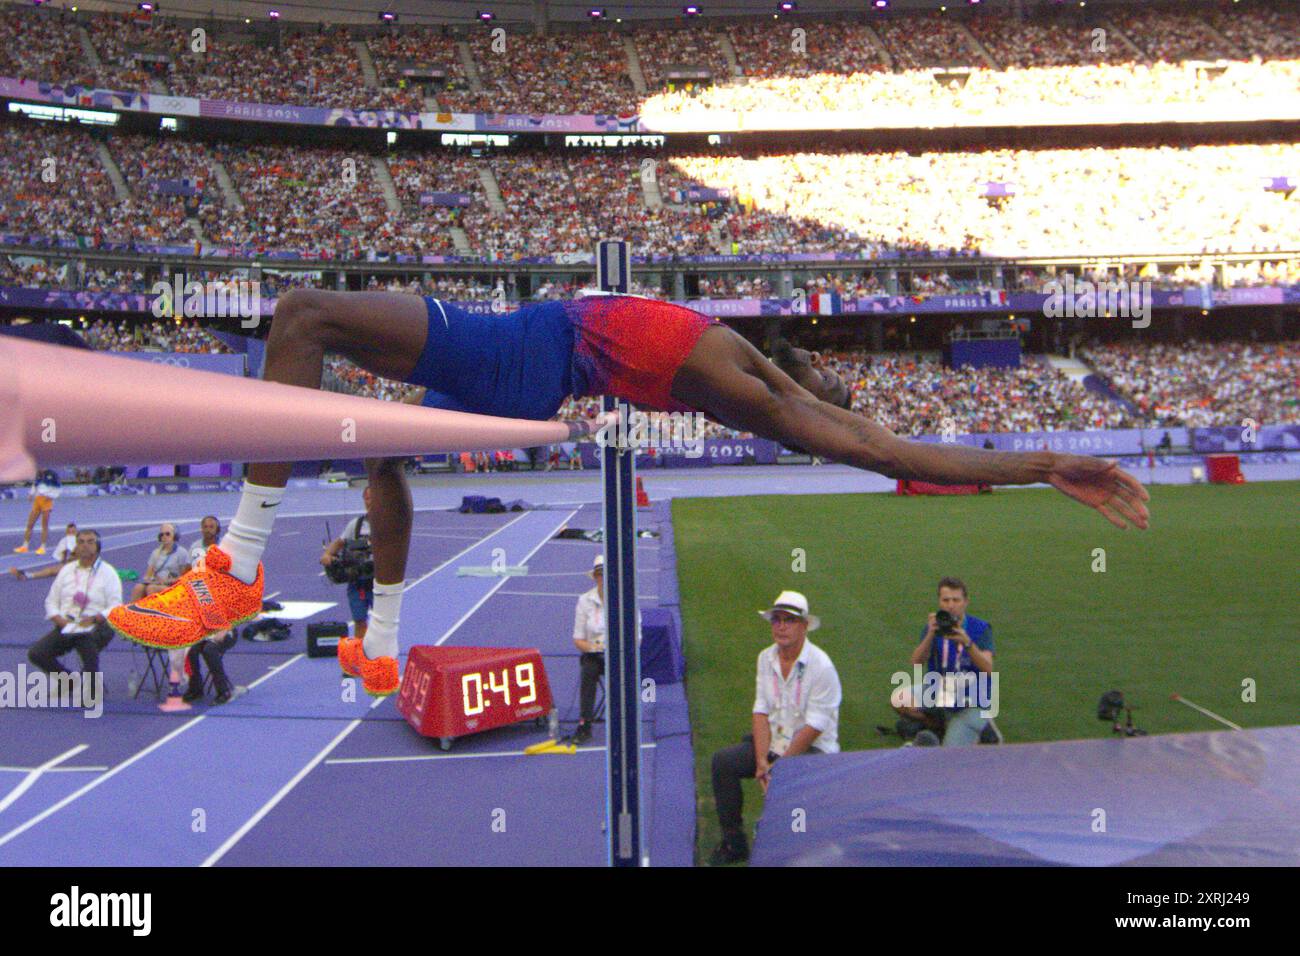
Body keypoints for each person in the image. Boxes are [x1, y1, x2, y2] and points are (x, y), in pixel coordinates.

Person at [109, 291, 1150, 697]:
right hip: (522, 344)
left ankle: (233, 570)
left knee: (302, 319)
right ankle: (379, 635)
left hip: (528, 350)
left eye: (836, 403)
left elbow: (880, 452)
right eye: (839, 388)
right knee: (382, 456)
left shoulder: (739, 386)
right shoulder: (746, 351)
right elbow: (864, 428)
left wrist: (1043, 463)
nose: (841, 405)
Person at [709, 590, 841, 865]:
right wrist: (761, 760)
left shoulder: (822, 667)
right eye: (776, 620)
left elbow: (814, 726)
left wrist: (780, 767)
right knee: (723, 763)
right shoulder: (765, 658)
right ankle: (734, 843)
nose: (781, 626)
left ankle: (792, 842)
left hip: (812, 749)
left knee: (784, 795)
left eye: (789, 621)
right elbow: (760, 710)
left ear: (804, 626)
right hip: (775, 743)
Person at [891, 577, 994, 747]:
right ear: (939, 602)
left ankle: (982, 728)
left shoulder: (980, 629)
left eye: (956, 600)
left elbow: (988, 668)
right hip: (939, 692)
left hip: (970, 699)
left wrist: (967, 643)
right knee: (899, 699)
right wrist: (930, 634)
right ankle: (939, 725)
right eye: (946, 600)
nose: (951, 605)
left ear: (965, 602)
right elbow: (916, 662)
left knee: (949, 753)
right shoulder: (934, 626)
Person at [28, 529, 122, 678]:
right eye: (81, 542)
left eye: (90, 542)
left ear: (98, 546)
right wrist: (59, 620)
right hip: (68, 624)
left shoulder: (108, 572)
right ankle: (69, 681)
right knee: (36, 654)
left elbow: (115, 606)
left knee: (85, 642)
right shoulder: (66, 570)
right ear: (76, 547)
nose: (85, 546)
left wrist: (94, 619)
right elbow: (51, 601)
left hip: (97, 626)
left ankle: (90, 691)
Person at [182, 516, 237, 704]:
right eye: (204, 526)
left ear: (217, 529)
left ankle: (223, 691)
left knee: (210, 650)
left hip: (225, 628)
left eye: (211, 526)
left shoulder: (225, 551)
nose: (207, 529)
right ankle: (195, 687)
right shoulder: (195, 548)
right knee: (189, 648)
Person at [320, 488, 375, 642]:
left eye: (374, 497)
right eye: (368, 498)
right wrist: (327, 555)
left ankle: (381, 656)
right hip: (357, 582)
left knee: (382, 623)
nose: (371, 501)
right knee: (359, 621)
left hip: (379, 583)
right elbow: (339, 542)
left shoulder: (388, 523)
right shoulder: (356, 524)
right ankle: (359, 655)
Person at [570, 554, 606, 745]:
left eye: (606, 574)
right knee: (588, 668)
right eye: (599, 575)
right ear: (595, 577)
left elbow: (636, 637)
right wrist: (594, 648)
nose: (603, 579)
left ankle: (625, 718)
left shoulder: (624, 599)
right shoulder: (584, 601)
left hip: (618, 656)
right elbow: (578, 639)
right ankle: (585, 723)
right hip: (594, 655)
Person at [13, 469, 62, 555]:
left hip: (47, 500)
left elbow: (59, 487)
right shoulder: (38, 475)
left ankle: (42, 547)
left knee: (44, 525)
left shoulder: (52, 474)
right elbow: (35, 485)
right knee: (30, 524)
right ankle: (25, 546)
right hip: (38, 500)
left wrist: (51, 496)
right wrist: (31, 494)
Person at [9, 522, 78, 581]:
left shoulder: (83, 541)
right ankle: (28, 575)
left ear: (77, 532)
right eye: (69, 532)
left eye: (73, 532)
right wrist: (65, 559)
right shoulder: (64, 542)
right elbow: (63, 560)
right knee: (53, 570)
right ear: (66, 533)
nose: (71, 534)